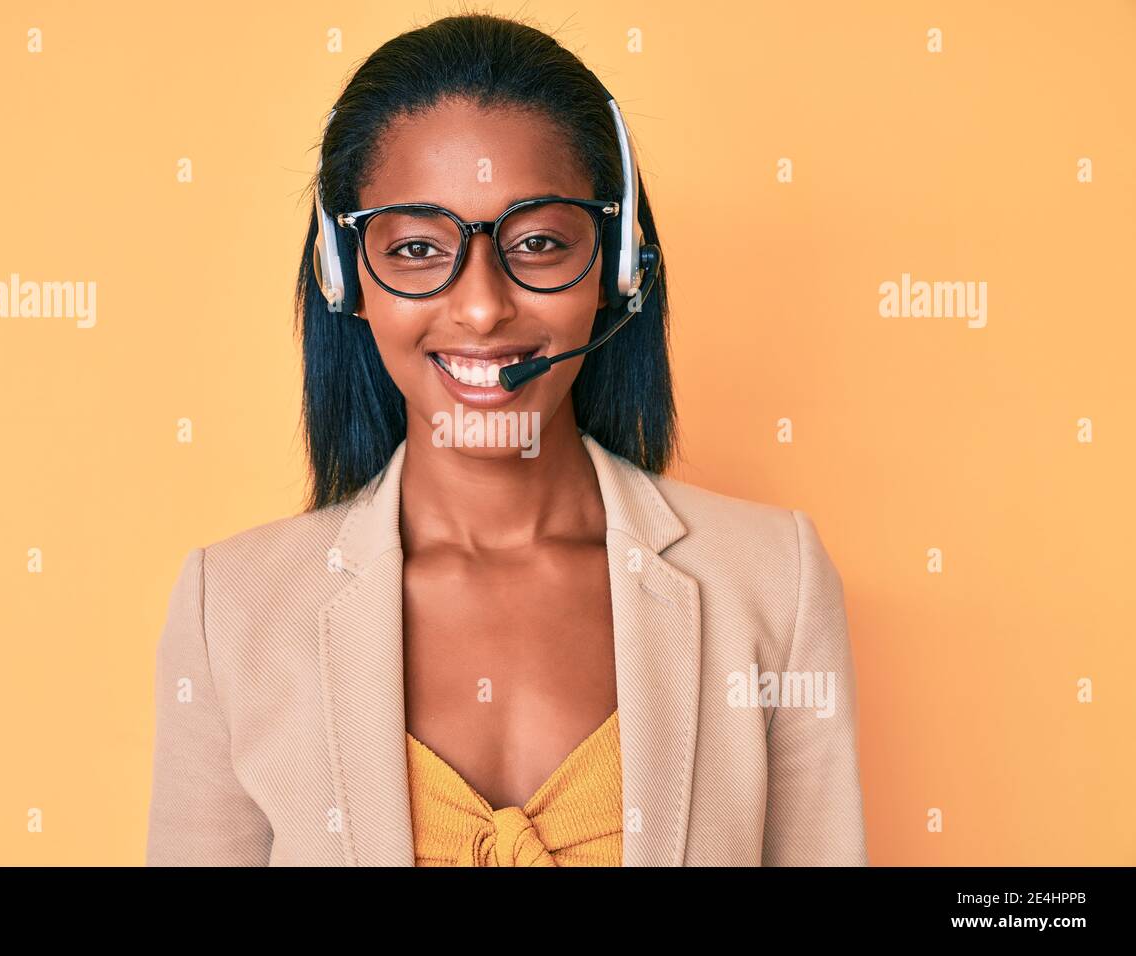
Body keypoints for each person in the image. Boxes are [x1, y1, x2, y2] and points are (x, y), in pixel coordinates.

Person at [146, 12, 867, 867]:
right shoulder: (229, 608)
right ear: (346, 279)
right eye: (417, 247)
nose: (483, 307)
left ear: (617, 267)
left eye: (537, 242)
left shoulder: (772, 583)